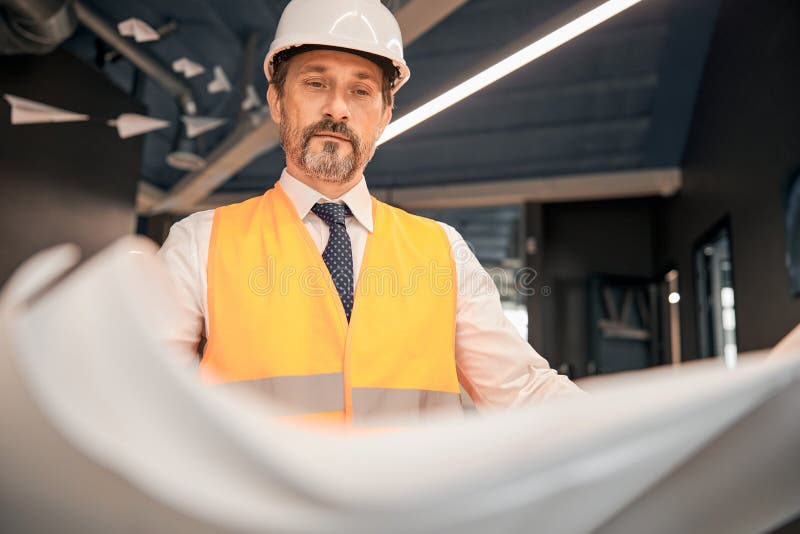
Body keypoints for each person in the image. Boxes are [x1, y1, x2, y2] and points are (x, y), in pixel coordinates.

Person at [158, 0, 582, 426]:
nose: (337, 109)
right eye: (315, 83)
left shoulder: (443, 251)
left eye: (360, 91)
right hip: (257, 495)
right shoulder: (200, 243)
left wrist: (640, 432)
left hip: (410, 495)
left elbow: (523, 390)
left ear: (384, 115)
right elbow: (140, 397)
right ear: (276, 101)